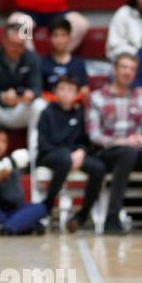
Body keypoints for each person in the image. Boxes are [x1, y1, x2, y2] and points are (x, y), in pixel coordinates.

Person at [86, 53, 142, 233]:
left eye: (132, 69)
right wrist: (123, 141)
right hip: (107, 152)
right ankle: (112, 217)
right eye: (124, 67)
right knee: (126, 152)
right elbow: (94, 136)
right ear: (115, 70)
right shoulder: (97, 97)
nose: (128, 72)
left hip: (135, 150)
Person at [36, 74, 104, 231]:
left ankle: (82, 214)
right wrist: (69, 154)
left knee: (98, 167)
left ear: (77, 93)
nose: (66, 93)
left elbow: (86, 141)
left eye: (70, 90)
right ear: (55, 91)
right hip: (51, 155)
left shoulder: (80, 114)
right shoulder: (47, 113)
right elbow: (43, 144)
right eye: (62, 88)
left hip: (75, 155)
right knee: (64, 160)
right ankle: (48, 205)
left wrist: (81, 150)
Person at [0, 13, 47, 159]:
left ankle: (35, 156)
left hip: (21, 109)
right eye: (12, 44)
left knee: (39, 105)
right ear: (4, 41)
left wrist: (30, 95)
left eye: (20, 45)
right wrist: (2, 96)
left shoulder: (32, 58)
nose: (15, 49)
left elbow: (37, 88)